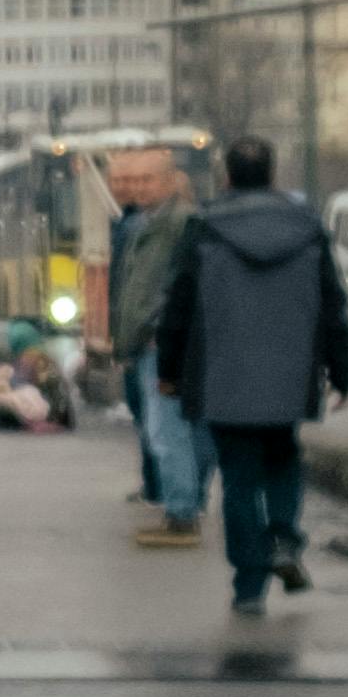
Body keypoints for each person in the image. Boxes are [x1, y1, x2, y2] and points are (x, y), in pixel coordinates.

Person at [157, 134, 348, 622]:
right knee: (284, 457)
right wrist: (343, 371)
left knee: (240, 479)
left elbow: (178, 305)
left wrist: (168, 370)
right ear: (271, 175)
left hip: (223, 376)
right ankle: (284, 537)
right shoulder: (308, 228)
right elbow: (333, 305)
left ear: (226, 175)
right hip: (290, 374)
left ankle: (249, 585)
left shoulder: (203, 228)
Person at [105, 146, 210, 550]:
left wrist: (155, 329)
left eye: (150, 179)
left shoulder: (180, 223)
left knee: (167, 431)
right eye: (138, 180)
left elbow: (173, 288)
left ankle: (182, 513)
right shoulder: (143, 224)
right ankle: (182, 505)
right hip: (152, 341)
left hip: (162, 343)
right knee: (168, 429)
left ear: (169, 181)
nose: (141, 187)